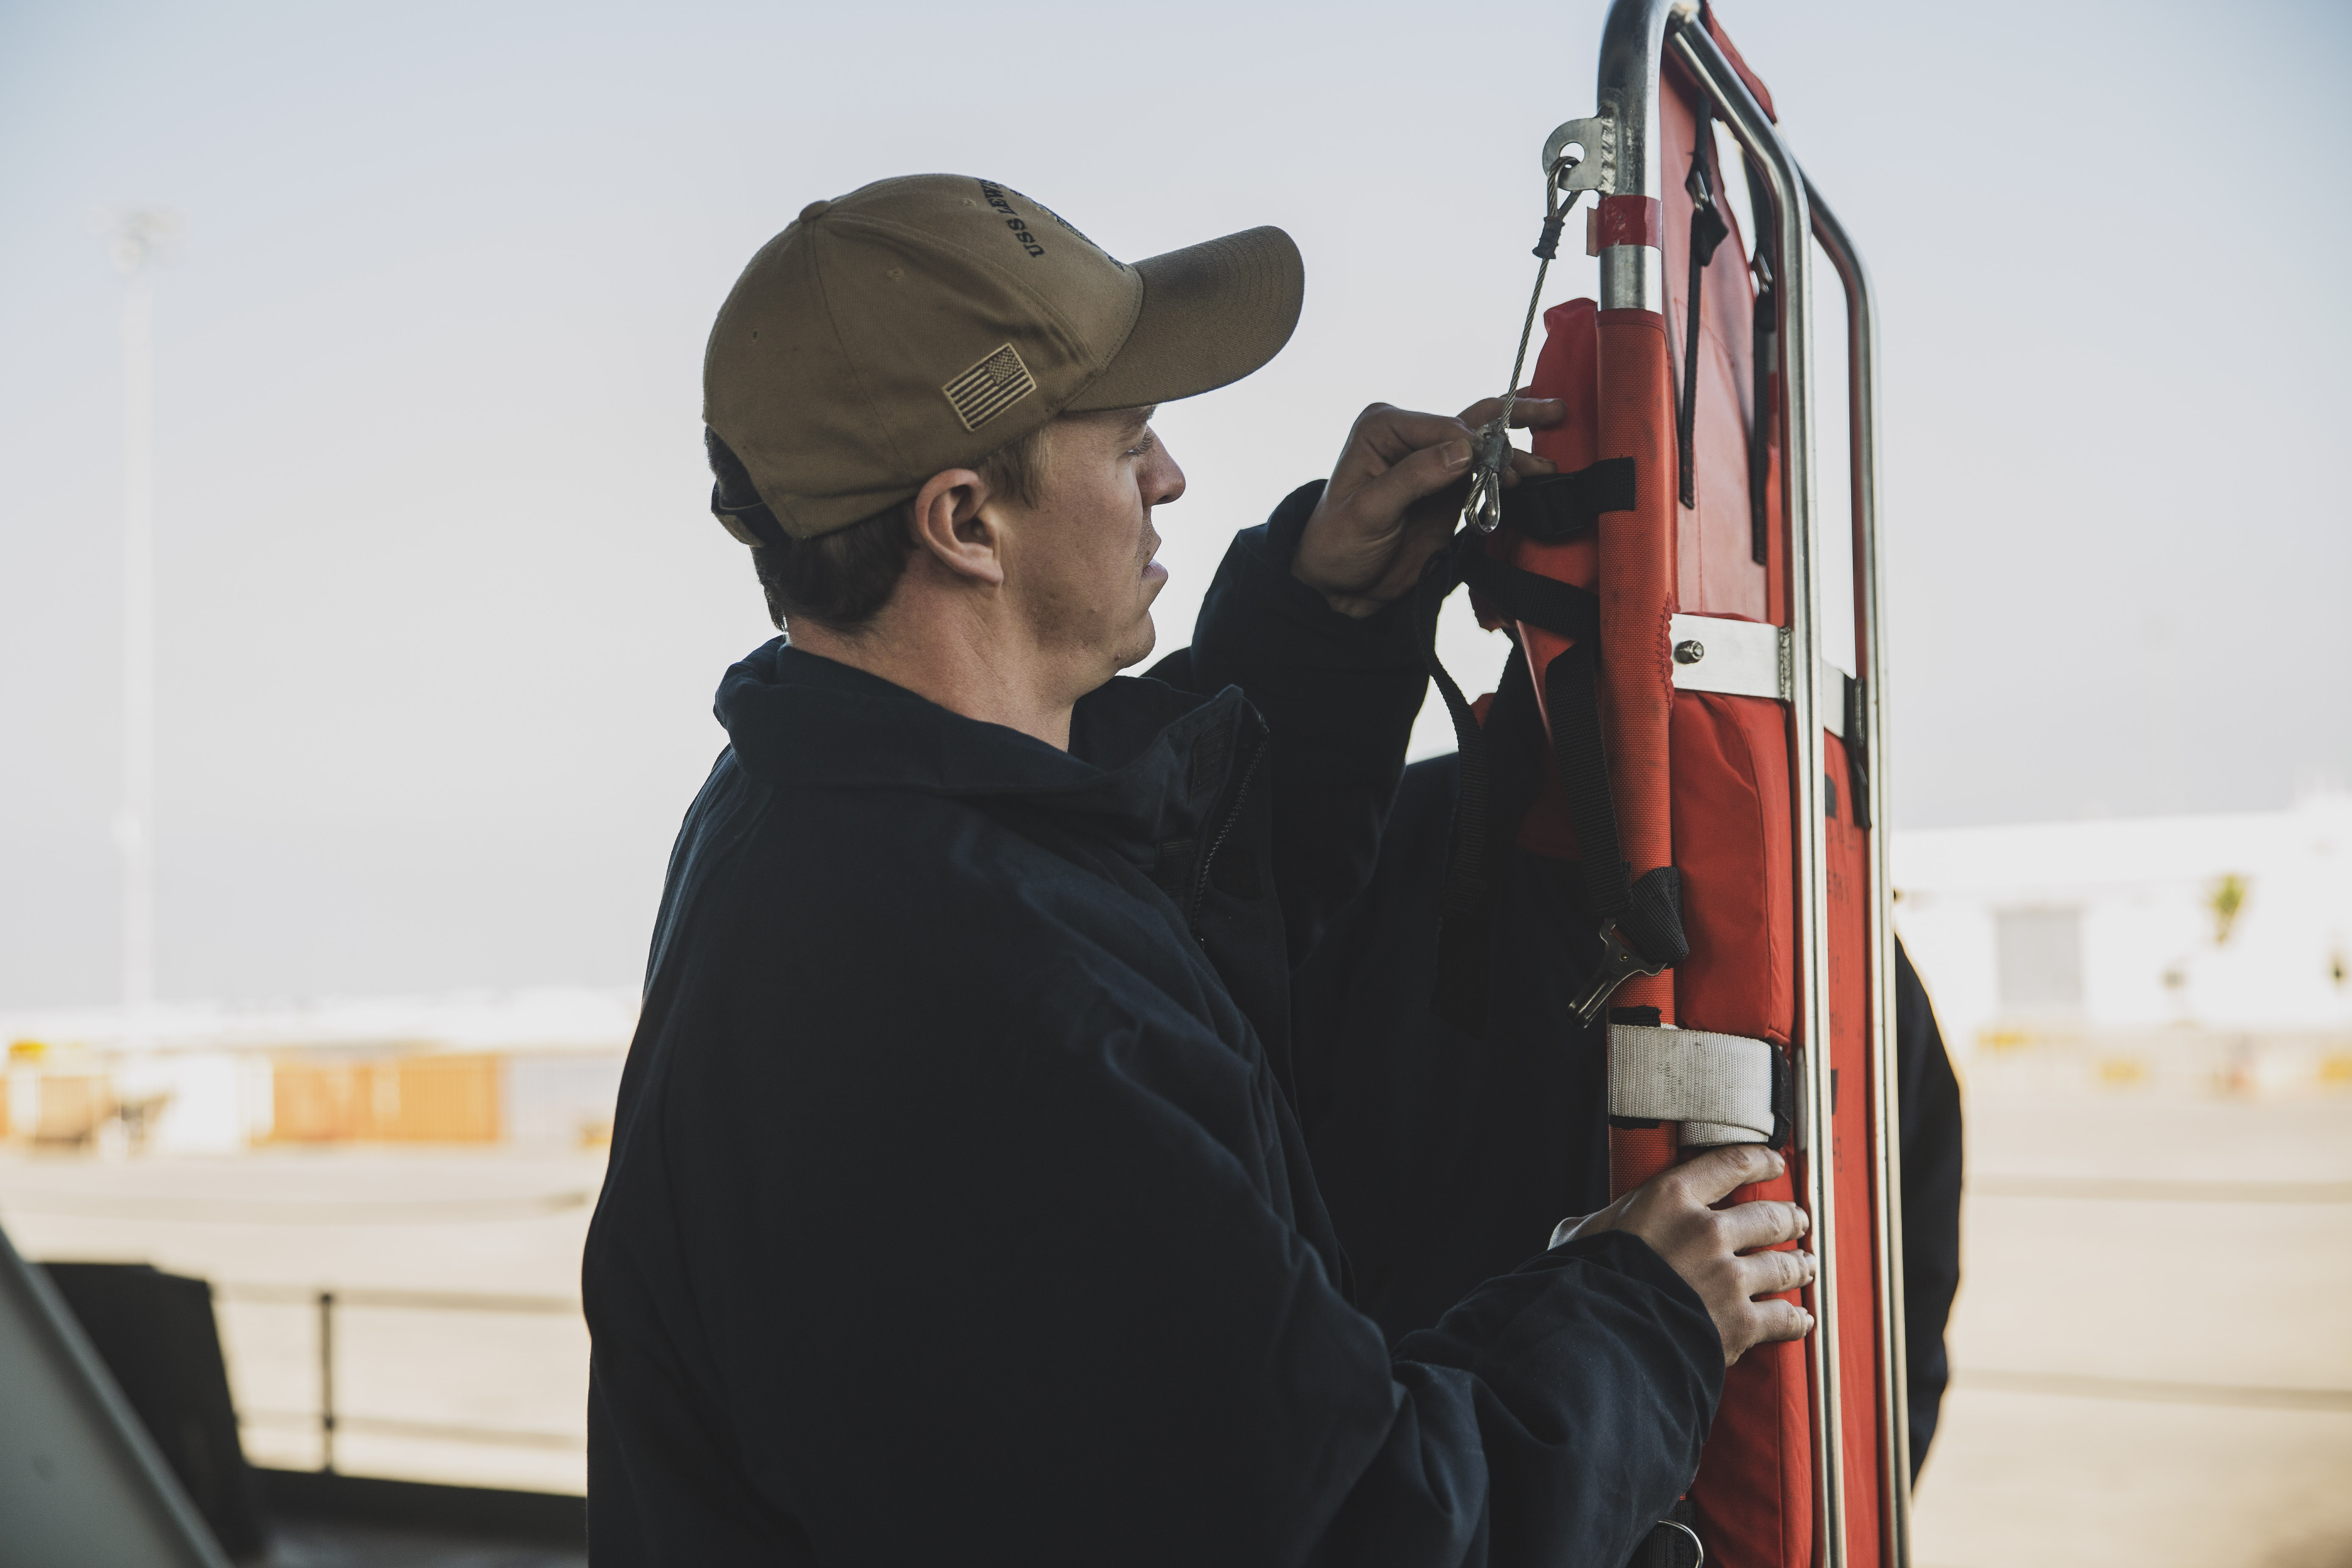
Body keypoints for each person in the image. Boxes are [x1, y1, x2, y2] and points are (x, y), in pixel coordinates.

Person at [582, 174, 1815, 1566]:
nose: (1170, 474)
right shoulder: (984, 1004)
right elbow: (1355, 1529)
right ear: (964, 522)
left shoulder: (809, 804)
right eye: (1128, 442)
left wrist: (1323, 614)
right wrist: (1638, 1312)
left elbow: (1141, 902)